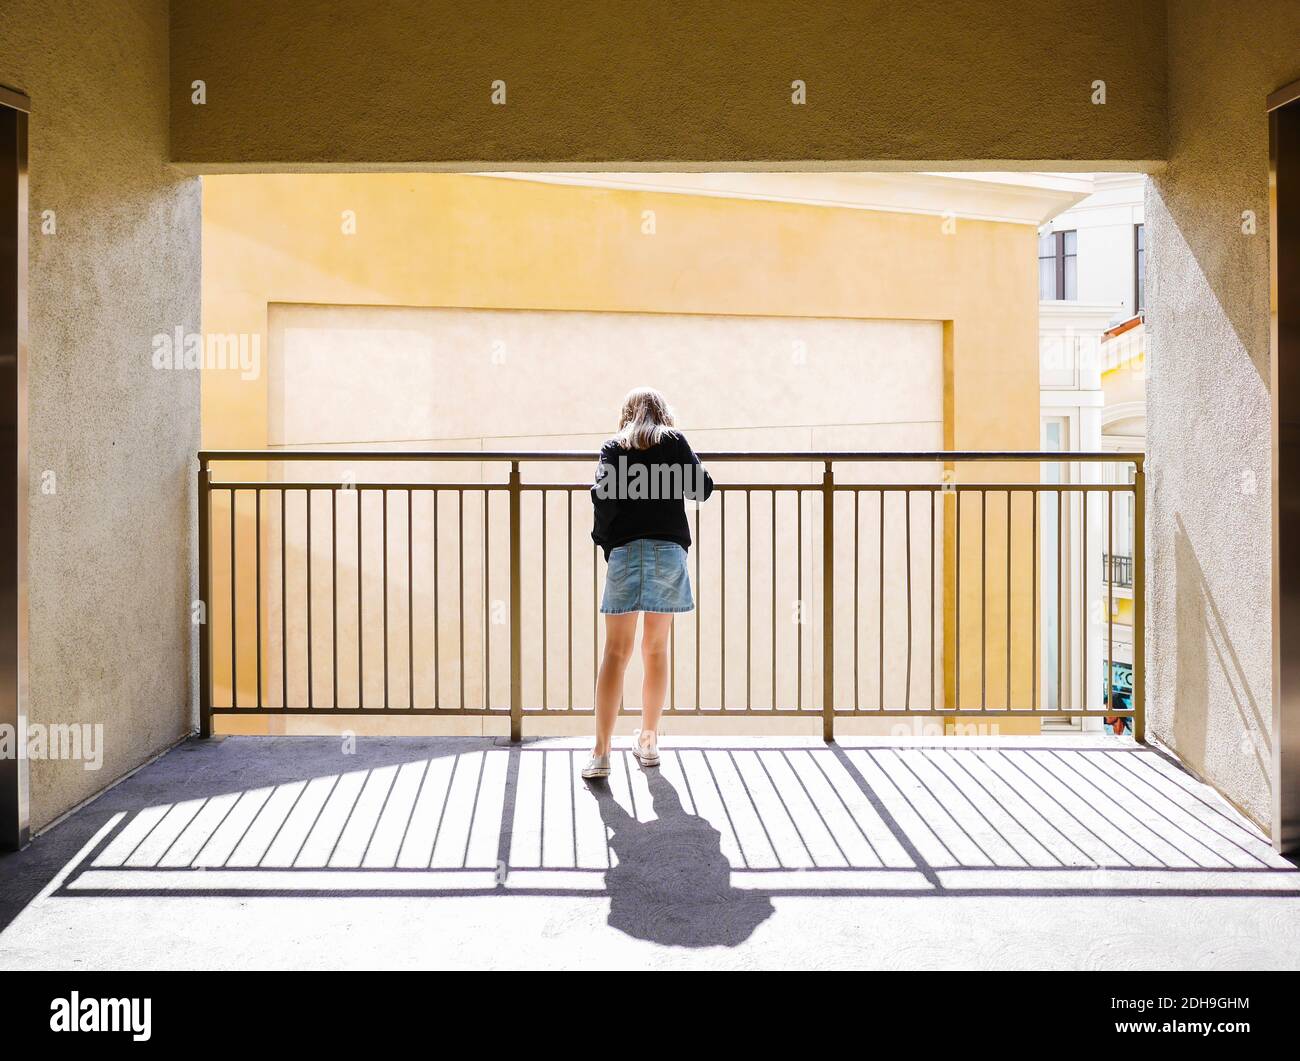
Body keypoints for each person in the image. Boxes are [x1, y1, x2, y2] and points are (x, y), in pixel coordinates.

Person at [582, 387, 713, 779]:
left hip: (626, 552)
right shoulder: (673, 442)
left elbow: (602, 499)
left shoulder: (613, 448)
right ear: (663, 414)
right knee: (655, 650)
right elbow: (702, 489)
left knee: (615, 653)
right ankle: (649, 741)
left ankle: (602, 752)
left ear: (626, 414)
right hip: (668, 553)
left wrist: (607, 546)